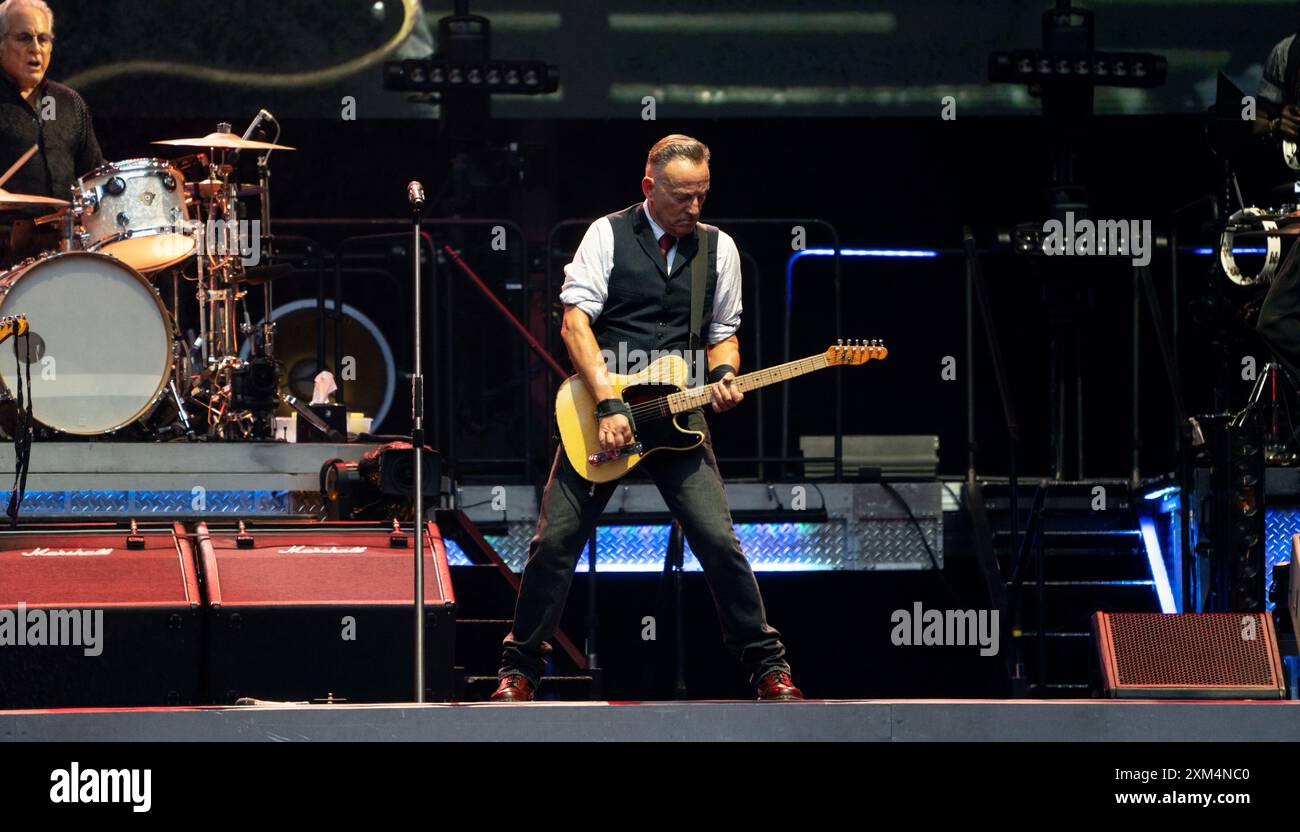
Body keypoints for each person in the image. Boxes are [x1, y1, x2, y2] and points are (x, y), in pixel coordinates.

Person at [491, 134, 802, 702]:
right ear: (649, 188)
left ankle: (767, 666)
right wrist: (608, 402)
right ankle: (520, 670)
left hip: (677, 416)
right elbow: (574, 325)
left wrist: (727, 374)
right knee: (555, 542)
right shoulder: (606, 234)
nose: (694, 207)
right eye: (682, 196)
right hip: (603, 410)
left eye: (702, 195)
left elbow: (723, 335)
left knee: (718, 540)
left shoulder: (719, 249)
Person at [0, 0, 103, 262]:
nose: (35, 48)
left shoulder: (70, 103)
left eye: (43, 39)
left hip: (64, 251)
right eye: (24, 38)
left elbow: (93, 175)